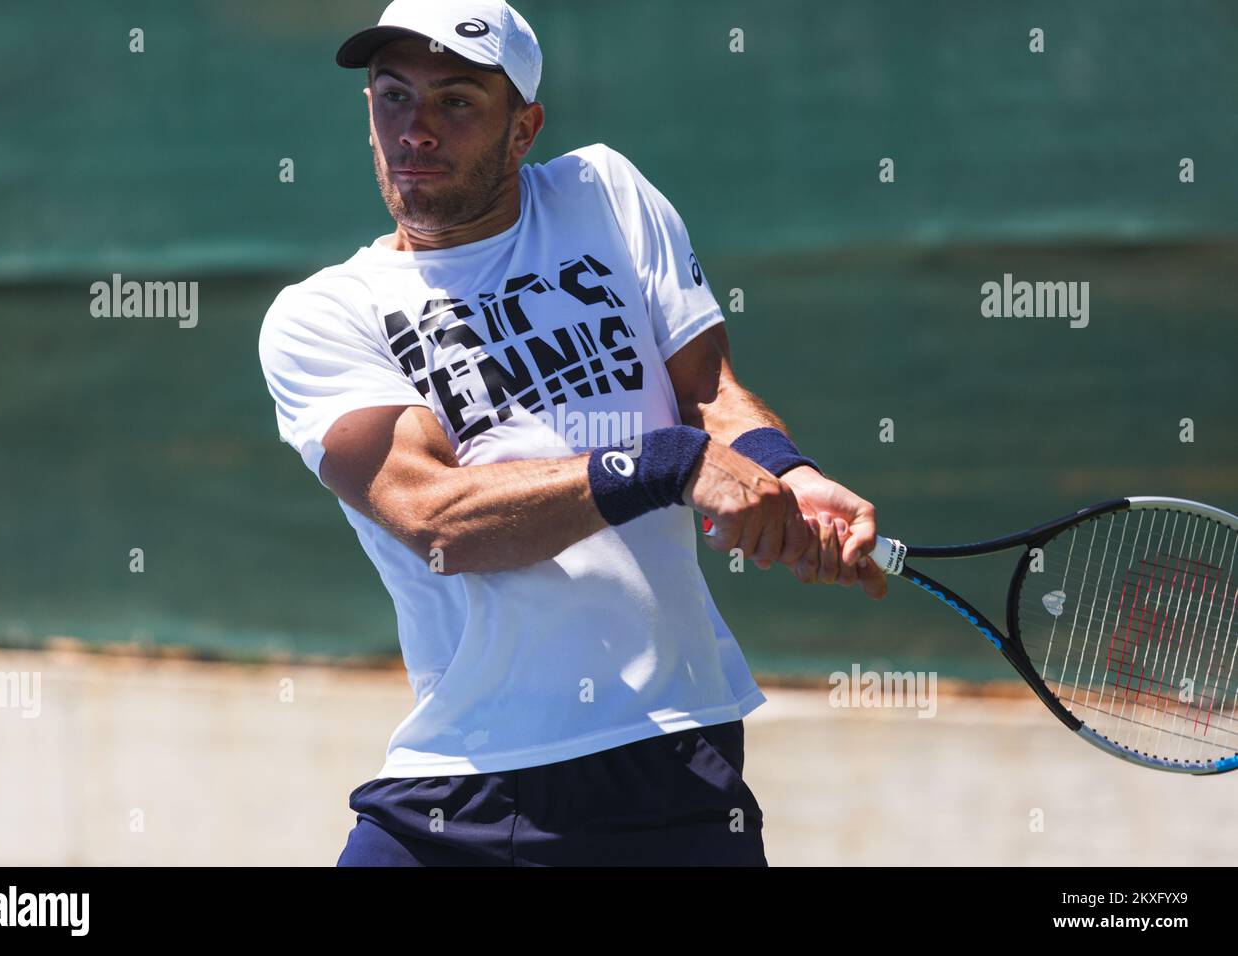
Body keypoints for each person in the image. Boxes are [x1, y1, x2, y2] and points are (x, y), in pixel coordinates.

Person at [258, 0, 887, 866]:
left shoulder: (604, 193)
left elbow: (708, 392)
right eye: (393, 96)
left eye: (456, 102)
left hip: (675, 763)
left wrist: (788, 472)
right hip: (466, 782)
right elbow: (438, 520)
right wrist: (668, 463)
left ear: (524, 130)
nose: (415, 131)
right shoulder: (324, 315)